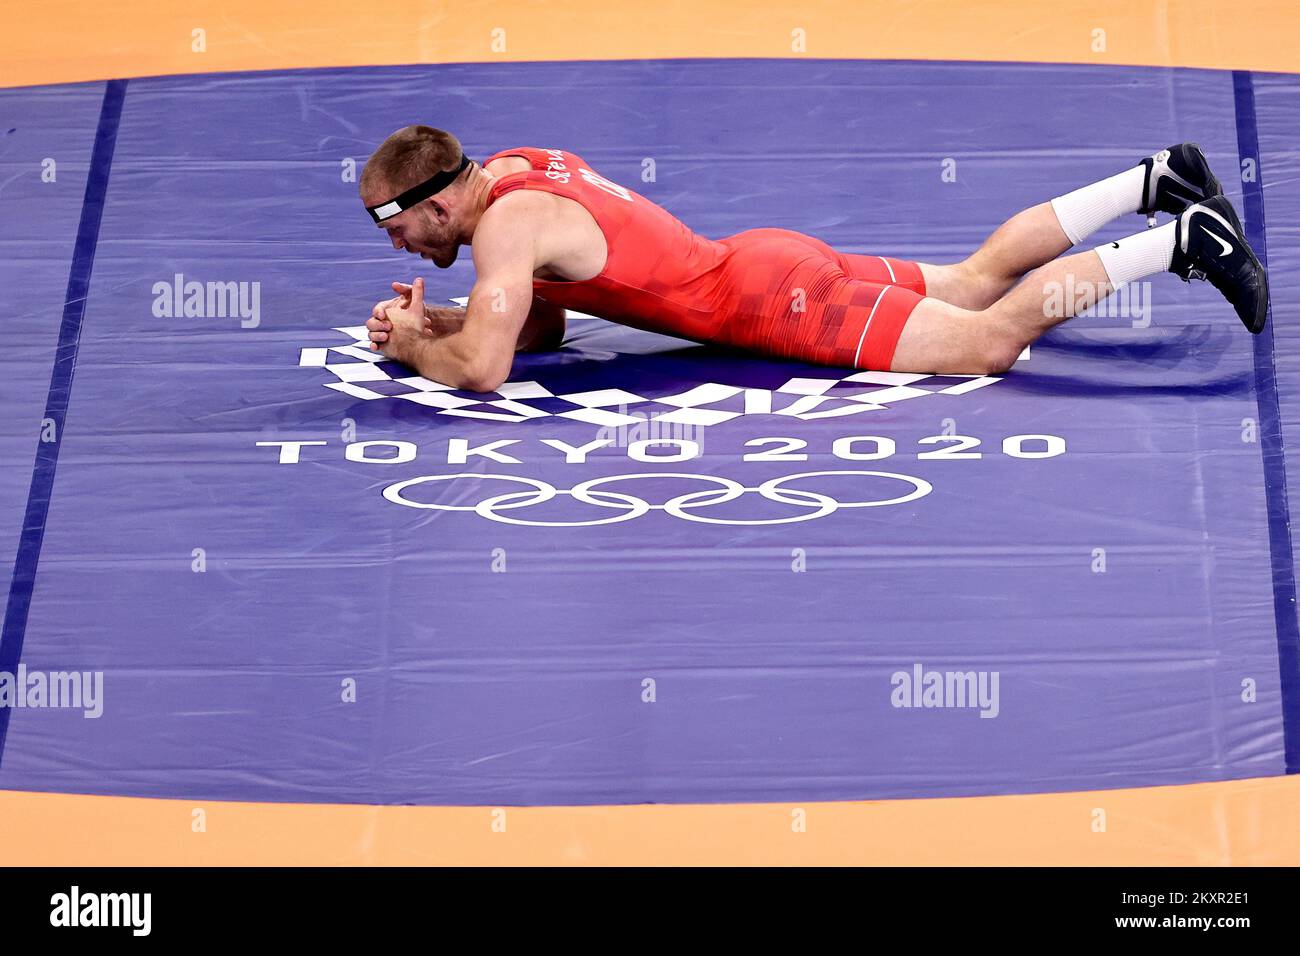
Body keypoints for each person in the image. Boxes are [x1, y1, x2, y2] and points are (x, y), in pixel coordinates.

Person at [361, 126, 1268, 393]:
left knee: (990, 340)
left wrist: (414, 348)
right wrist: (440, 315)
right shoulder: (518, 167)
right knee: (970, 279)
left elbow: (484, 369)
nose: (400, 247)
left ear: (441, 203)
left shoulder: (504, 230)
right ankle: (1156, 179)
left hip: (769, 303)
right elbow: (543, 323)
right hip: (762, 258)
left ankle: (1182, 241)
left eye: (397, 230)